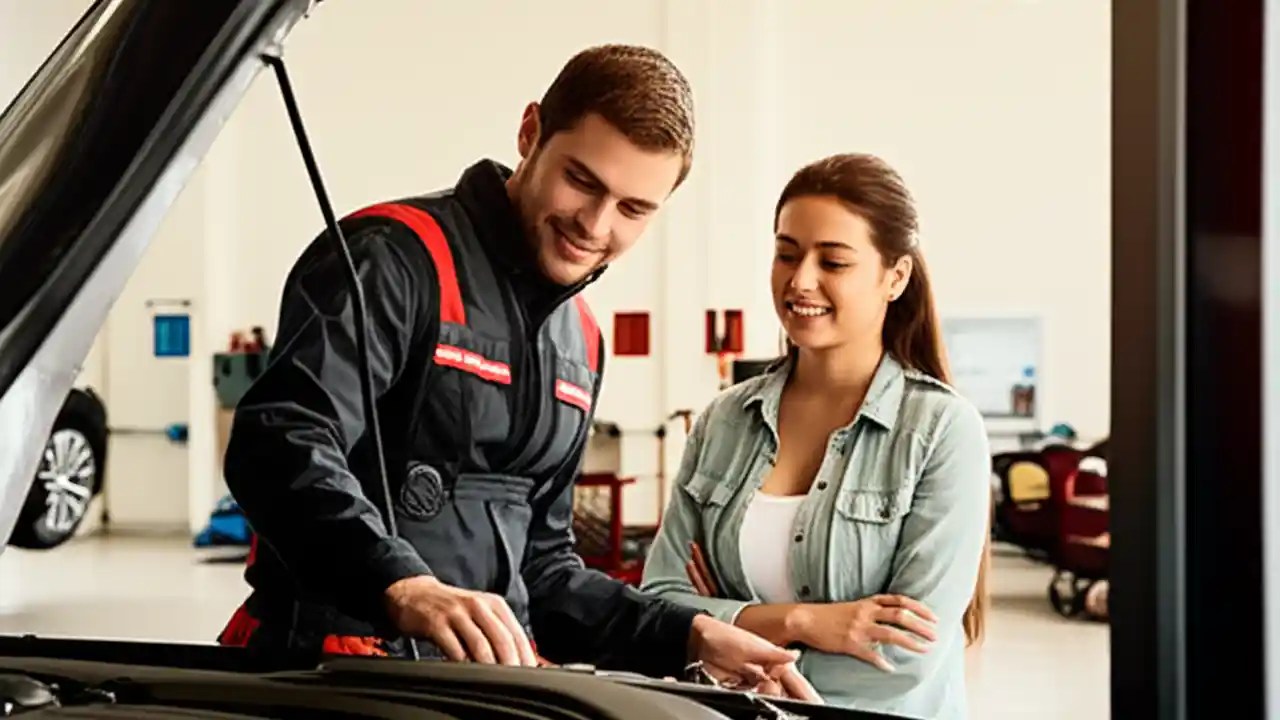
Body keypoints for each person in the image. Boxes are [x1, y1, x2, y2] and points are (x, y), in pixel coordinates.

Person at [215, 44, 817, 700]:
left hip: (481, 686)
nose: (595, 224)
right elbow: (280, 444)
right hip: (333, 675)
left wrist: (690, 635)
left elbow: (547, 568)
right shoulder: (392, 262)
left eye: (633, 209)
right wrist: (400, 585)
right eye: (581, 181)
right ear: (530, 131)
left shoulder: (581, 341)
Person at [640, 153, 991, 717]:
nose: (801, 280)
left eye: (834, 262)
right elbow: (660, 602)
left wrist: (729, 632)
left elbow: (904, 655)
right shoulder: (722, 423)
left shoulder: (940, 432)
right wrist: (808, 623)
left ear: (894, 277)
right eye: (787, 254)